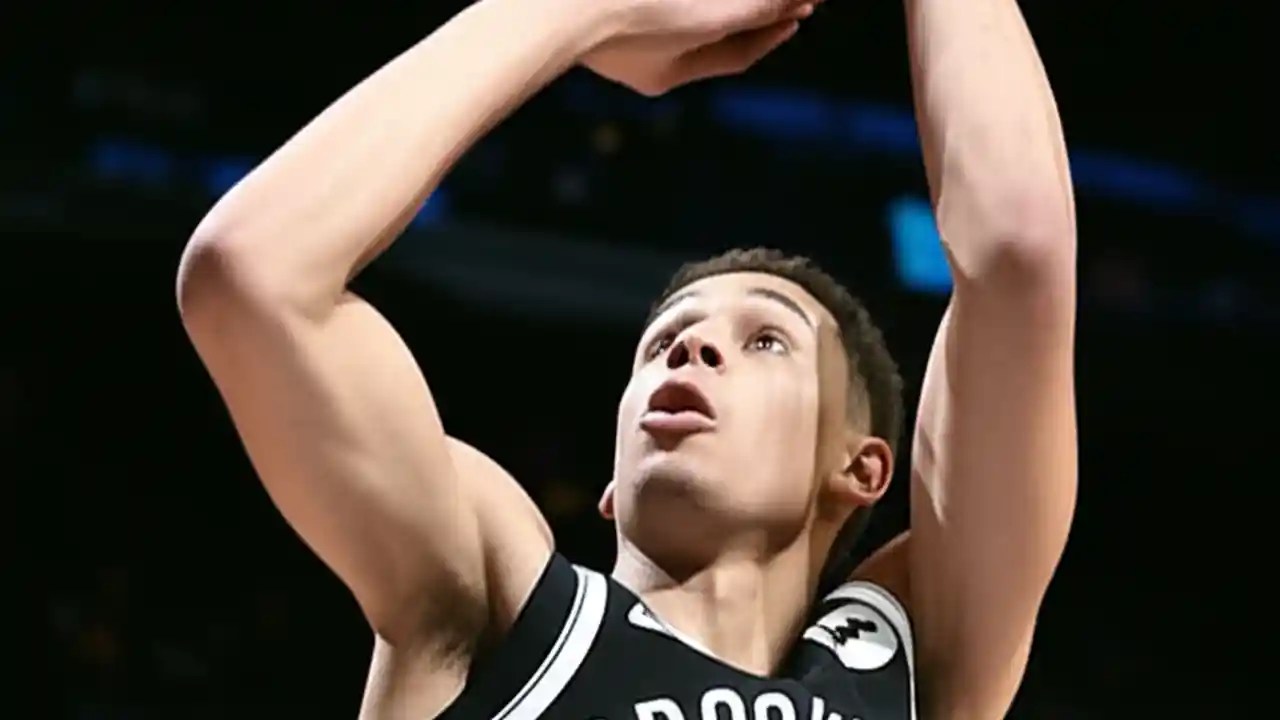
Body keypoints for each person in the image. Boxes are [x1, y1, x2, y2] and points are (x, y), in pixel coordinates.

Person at [176, 0, 1078, 714]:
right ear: (613, 488)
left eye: (764, 340)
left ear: (862, 467)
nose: (690, 347)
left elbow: (1020, 253)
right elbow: (252, 275)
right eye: (661, 344)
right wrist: (582, 10)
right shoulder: (506, 603)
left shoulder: (911, 668)